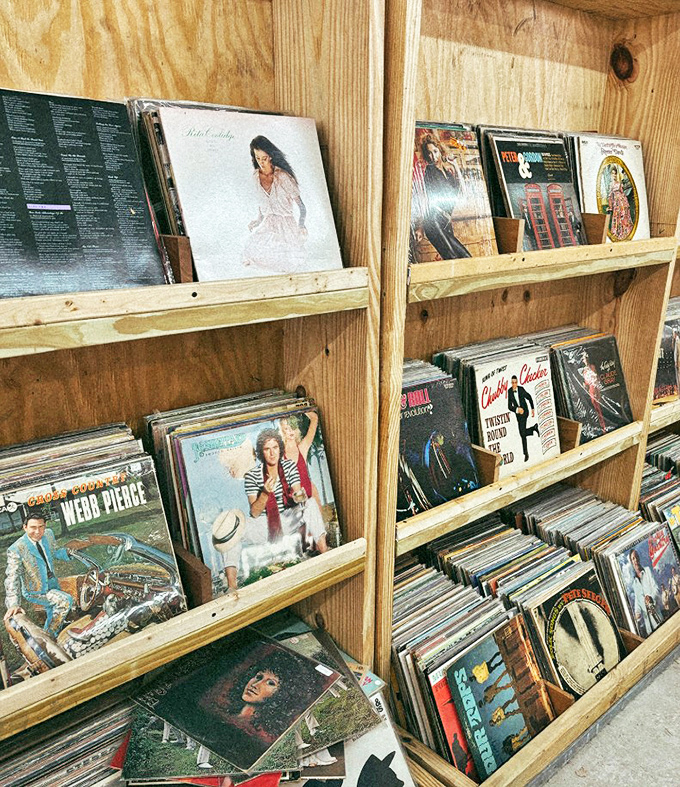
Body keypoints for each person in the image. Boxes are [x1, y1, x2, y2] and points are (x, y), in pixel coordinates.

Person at [217, 429, 328, 592]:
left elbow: (299, 496)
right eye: (267, 449)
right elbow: (254, 513)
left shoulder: (289, 466)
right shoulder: (252, 476)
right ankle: (232, 586)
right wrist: (265, 493)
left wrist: (298, 495)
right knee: (230, 525)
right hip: (263, 524)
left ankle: (324, 552)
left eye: (275, 447)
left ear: (280, 448)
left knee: (310, 503)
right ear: (261, 452)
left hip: (288, 518)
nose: (272, 453)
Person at [3, 512, 77, 638]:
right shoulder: (16, 549)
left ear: (45, 525)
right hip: (36, 591)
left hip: (53, 582)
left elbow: (54, 552)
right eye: (33, 527)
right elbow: (12, 577)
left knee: (53, 611)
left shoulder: (48, 534)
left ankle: (54, 634)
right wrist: (14, 603)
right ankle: (48, 637)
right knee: (64, 601)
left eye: (41, 526)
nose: (38, 531)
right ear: (25, 527)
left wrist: (69, 553)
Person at [242, 135, 308, 272]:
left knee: (284, 261)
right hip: (268, 223)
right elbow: (262, 203)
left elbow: (301, 207)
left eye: (264, 158)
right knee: (250, 251)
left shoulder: (283, 177)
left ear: (270, 156)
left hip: (286, 226)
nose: (261, 162)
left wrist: (301, 225)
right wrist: (258, 220)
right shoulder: (255, 176)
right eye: (257, 158)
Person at [418, 134, 471, 260]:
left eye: (435, 151)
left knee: (466, 257)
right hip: (433, 221)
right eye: (429, 153)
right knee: (452, 257)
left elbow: (463, 193)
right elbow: (425, 198)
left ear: (440, 151)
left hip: (446, 222)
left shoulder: (448, 173)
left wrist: (456, 166)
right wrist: (420, 226)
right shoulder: (429, 171)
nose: (433, 156)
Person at [280, 411, 322, 509]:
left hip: (310, 492)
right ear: (282, 431)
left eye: (293, 427)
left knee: (318, 522)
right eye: (287, 428)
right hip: (291, 500)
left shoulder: (302, 447)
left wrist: (298, 407)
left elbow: (314, 418)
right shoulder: (279, 454)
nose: (291, 431)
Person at [628, 548, 661, 636]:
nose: (635, 560)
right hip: (648, 623)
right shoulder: (634, 582)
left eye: (636, 557)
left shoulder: (647, 571)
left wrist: (651, 598)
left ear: (639, 558)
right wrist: (637, 614)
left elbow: (656, 588)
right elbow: (637, 602)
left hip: (656, 613)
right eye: (633, 558)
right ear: (631, 562)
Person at [507, 375, 540, 463]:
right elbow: (509, 406)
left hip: (525, 412)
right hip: (518, 414)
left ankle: (526, 453)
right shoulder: (510, 391)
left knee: (522, 434)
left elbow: (529, 397)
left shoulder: (521, 389)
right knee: (522, 433)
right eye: (512, 383)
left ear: (517, 383)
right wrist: (517, 410)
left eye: (515, 382)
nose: (514, 384)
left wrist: (532, 409)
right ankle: (533, 428)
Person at [606, 164, 634, 241]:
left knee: (624, 215)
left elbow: (622, 192)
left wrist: (625, 202)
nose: (614, 176)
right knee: (618, 217)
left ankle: (626, 231)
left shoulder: (619, 183)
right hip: (616, 203)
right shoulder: (610, 185)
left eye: (615, 174)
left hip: (622, 201)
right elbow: (610, 196)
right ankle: (618, 232)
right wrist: (610, 206)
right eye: (612, 174)